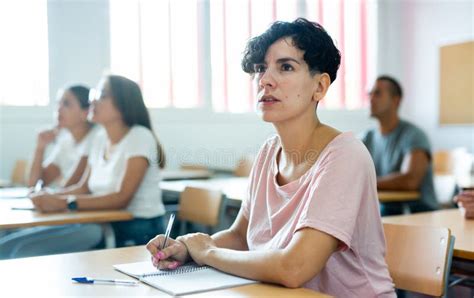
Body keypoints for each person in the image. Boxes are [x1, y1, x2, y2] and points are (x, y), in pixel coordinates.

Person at [146, 19, 395, 297]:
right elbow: (241, 237)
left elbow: (294, 267)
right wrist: (189, 249)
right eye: (261, 69)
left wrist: (208, 252)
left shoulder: (345, 155)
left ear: (320, 87)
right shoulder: (268, 153)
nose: (264, 80)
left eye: (286, 67)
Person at [1, 75, 166, 259]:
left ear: (123, 105)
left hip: (136, 227)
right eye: (95, 94)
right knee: (8, 247)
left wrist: (64, 202)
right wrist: (51, 196)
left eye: (102, 95)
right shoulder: (99, 138)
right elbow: (83, 187)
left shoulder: (139, 136)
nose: (92, 100)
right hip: (99, 221)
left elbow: (122, 199)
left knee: (22, 252)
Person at [361, 76, 438, 215]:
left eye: (377, 93)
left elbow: (410, 181)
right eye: (370, 94)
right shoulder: (367, 138)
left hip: (417, 211)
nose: (371, 99)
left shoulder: (414, 135)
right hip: (387, 207)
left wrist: (366, 182)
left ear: (396, 100)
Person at [28, 85, 99, 188]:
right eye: (58, 103)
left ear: (86, 112)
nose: (58, 109)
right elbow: (34, 183)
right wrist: (40, 148)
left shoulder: (96, 138)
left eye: (66, 104)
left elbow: (70, 187)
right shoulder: (66, 141)